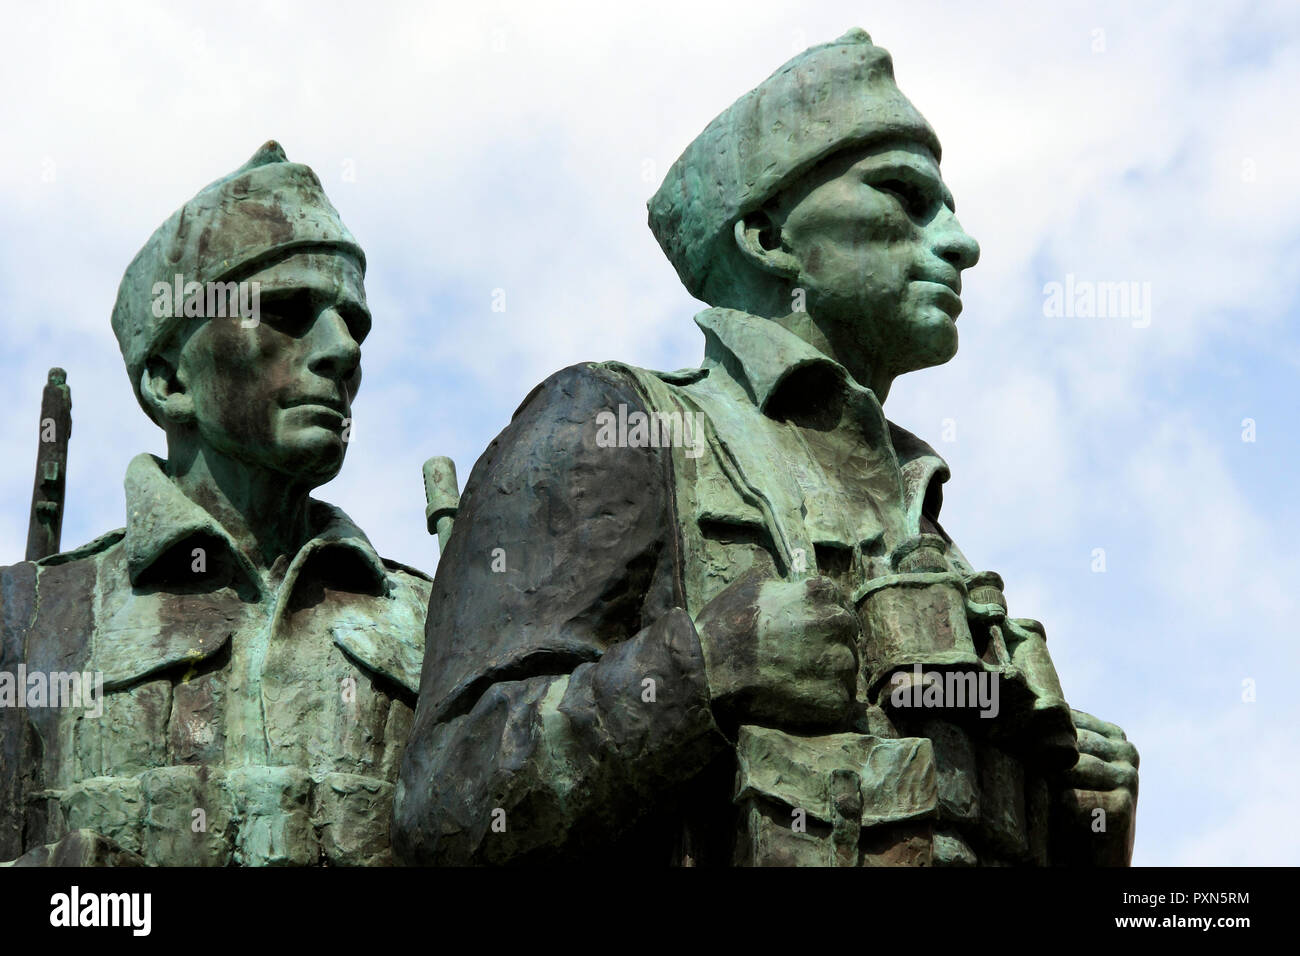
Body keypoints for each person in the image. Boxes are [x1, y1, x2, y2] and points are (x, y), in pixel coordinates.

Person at [394, 30, 1137, 866]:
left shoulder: (930, 530)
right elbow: (445, 800)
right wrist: (701, 669)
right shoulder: (614, 421)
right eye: (904, 195)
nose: (961, 243)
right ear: (768, 237)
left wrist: (1081, 829)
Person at [0, 142, 430, 866]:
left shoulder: (437, 622)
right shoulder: (28, 619)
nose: (341, 350)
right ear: (169, 378)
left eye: (353, 323)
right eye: (288, 310)